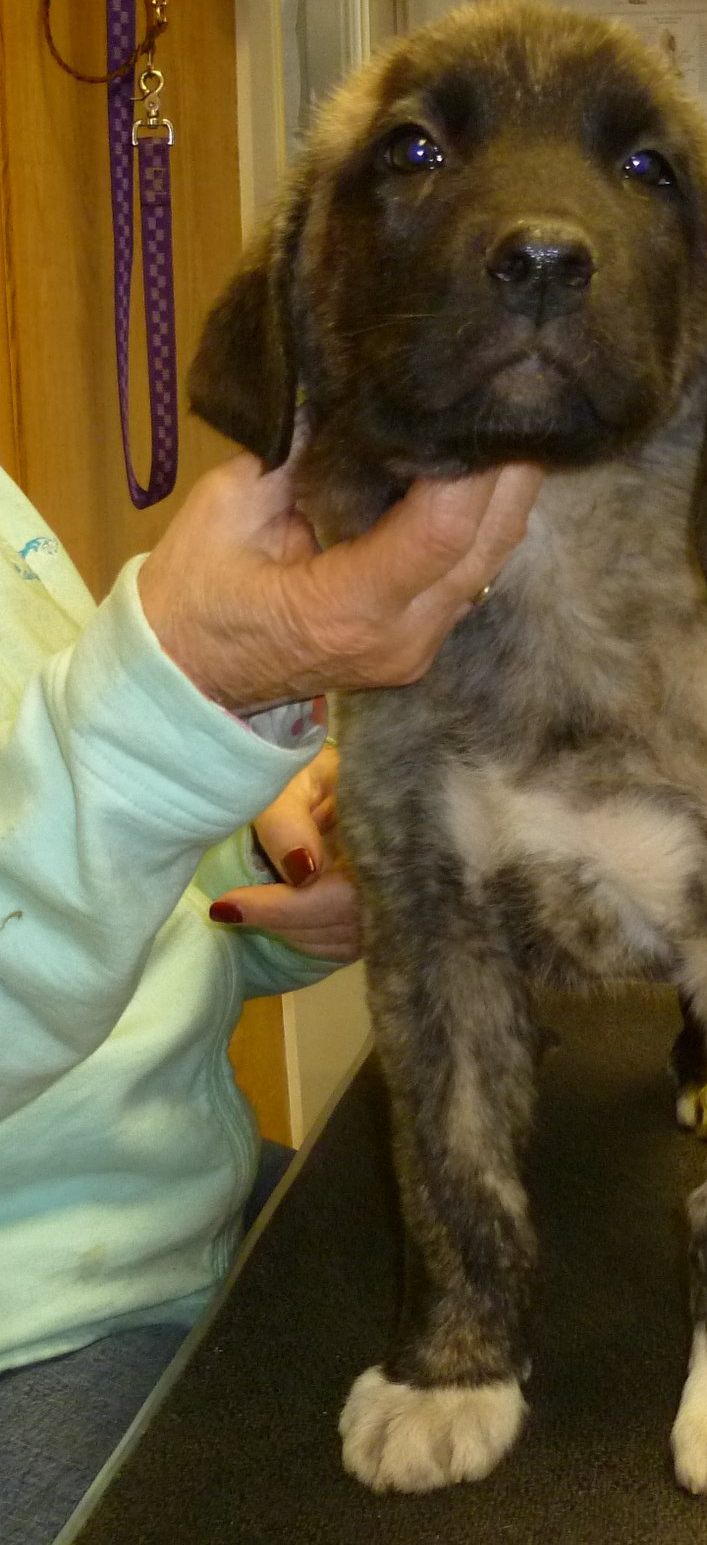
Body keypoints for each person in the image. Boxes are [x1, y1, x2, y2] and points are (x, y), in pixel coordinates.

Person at [0, 448, 542, 1544]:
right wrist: (182, 684)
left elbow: (111, 907)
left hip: (201, 1196)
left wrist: (264, 867)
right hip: (44, 1324)